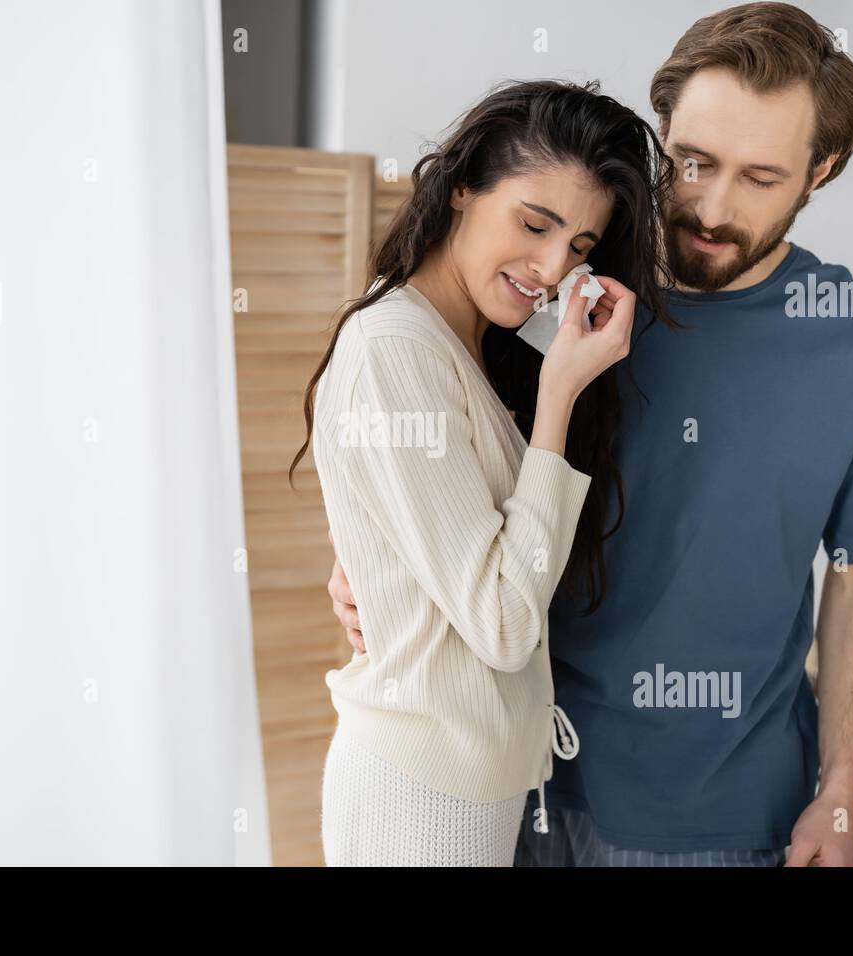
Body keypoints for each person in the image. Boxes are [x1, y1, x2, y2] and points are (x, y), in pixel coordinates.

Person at [328, 2, 853, 867]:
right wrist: (372, 551)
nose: (711, 205)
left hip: (721, 813)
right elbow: (443, 454)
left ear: (824, 168)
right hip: (518, 781)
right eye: (692, 161)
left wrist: (841, 788)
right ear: (662, 131)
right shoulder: (550, 291)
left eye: (761, 177)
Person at [292, 78, 674, 865]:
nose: (548, 265)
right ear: (462, 188)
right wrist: (561, 396)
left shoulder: (469, 346)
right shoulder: (397, 347)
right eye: (534, 224)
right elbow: (502, 623)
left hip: (462, 786)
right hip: (417, 793)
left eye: (579, 247)